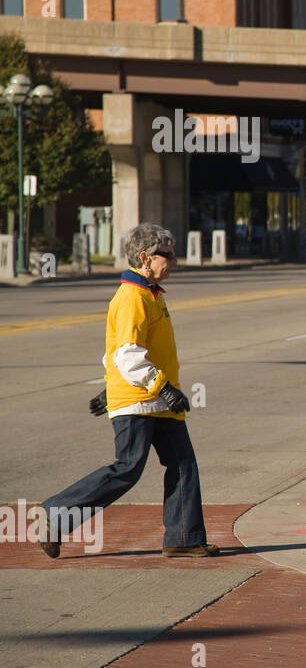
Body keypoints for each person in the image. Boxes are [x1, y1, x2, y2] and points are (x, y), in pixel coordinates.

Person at [39, 223, 217, 558]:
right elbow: (126, 353)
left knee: (182, 463)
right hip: (141, 399)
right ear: (145, 258)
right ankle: (58, 513)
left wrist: (114, 388)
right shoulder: (131, 297)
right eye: (168, 255)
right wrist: (161, 388)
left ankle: (184, 537)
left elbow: (116, 352)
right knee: (128, 467)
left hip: (154, 398)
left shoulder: (149, 294)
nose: (174, 261)